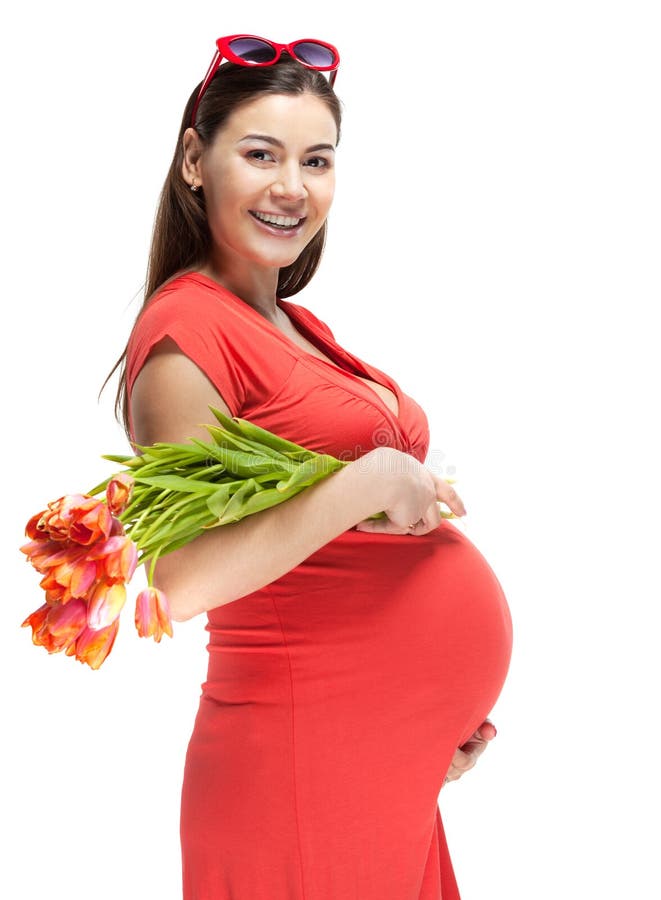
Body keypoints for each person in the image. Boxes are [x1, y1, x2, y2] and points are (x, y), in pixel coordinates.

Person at [101, 35, 513, 900]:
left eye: (316, 160)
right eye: (261, 154)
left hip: (370, 758)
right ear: (193, 160)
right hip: (302, 760)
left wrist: (425, 713)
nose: (293, 187)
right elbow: (182, 579)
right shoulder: (186, 335)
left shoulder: (291, 322)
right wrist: (365, 483)